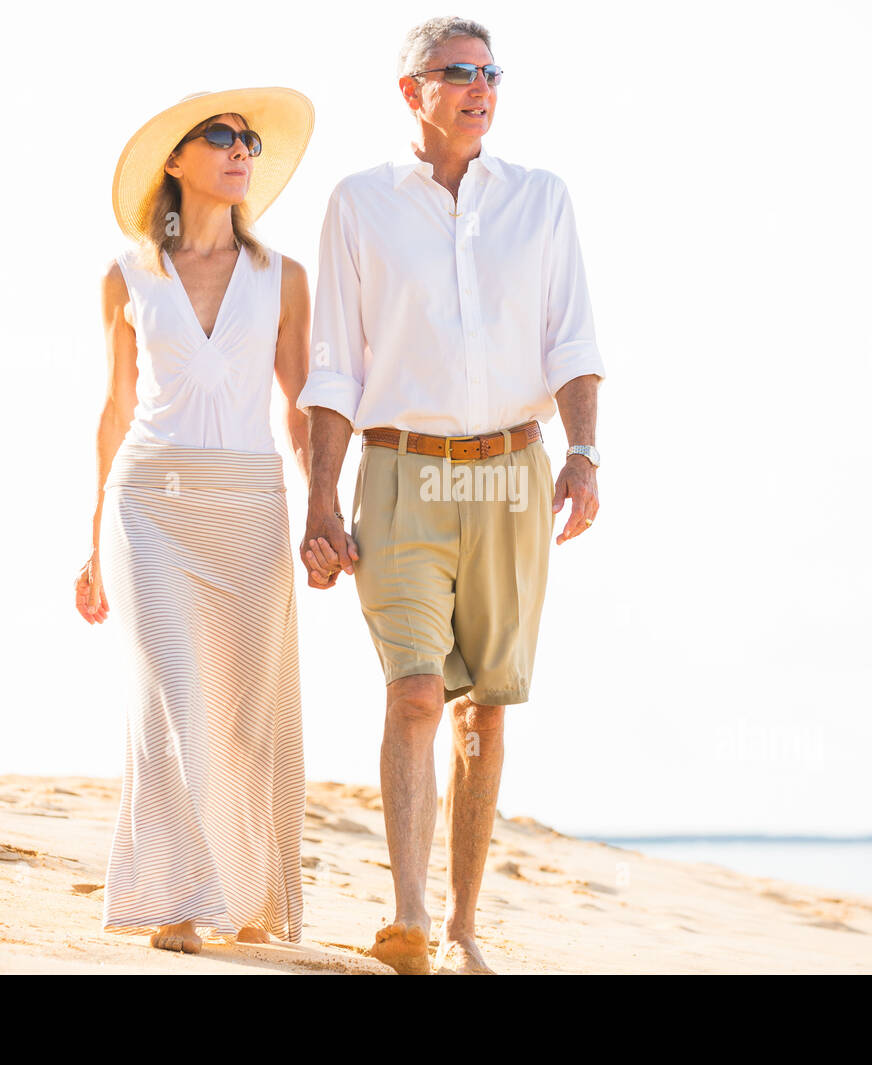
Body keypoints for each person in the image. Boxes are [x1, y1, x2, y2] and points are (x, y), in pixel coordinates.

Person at [296, 17, 605, 974]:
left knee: (487, 710)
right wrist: (319, 499)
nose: (479, 87)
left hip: (517, 473)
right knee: (418, 691)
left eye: (491, 73)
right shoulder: (359, 204)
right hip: (398, 472)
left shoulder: (542, 200)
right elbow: (335, 367)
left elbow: (572, 343)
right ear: (412, 91)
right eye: (457, 73)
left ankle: (467, 923)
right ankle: (412, 917)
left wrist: (585, 450)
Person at [75, 87, 325, 953]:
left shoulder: (284, 277)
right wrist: (90, 541)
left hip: (251, 503)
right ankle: (176, 899)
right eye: (220, 135)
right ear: (176, 162)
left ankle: (248, 894)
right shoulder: (128, 273)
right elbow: (113, 408)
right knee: (174, 697)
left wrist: (321, 504)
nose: (240, 148)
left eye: (249, 138)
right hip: (151, 505)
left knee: (244, 711)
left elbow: (300, 405)